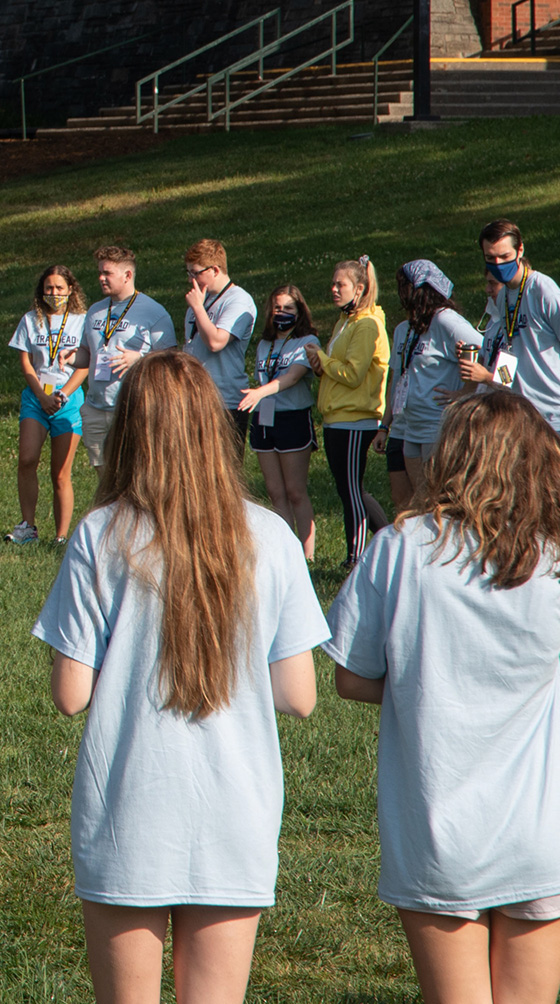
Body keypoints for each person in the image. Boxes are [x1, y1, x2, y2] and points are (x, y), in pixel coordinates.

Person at [32, 349, 329, 1004]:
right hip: (236, 810)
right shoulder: (273, 536)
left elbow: (69, 694)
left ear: (130, 433)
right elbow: (299, 697)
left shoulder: (101, 534)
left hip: (129, 806)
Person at [325, 392, 560, 1004]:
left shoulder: (404, 548)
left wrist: (421, 683)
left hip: (439, 826)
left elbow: (350, 675)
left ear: (451, 456)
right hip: (544, 829)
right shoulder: (554, 559)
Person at [74, 245, 179, 480]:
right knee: (105, 480)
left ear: (127, 275)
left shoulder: (153, 312)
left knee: (135, 477)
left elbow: (171, 361)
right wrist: (69, 357)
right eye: (100, 272)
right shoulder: (95, 311)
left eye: (107, 273)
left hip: (132, 408)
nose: (101, 278)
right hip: (95, 408)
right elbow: (86, 353)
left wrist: (139, 359)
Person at [315, 257, 390, 569]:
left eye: (340, 285)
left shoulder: (367, 325)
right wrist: (322, 366)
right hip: (337, 418)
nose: (334, 289)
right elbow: (337, 370)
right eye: (333, 284)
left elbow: (354, 374)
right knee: (351, 489)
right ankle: (388, 541)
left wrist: (322, 359)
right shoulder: (345, 322)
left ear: (359, 289)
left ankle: (356, 558)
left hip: (355, 420)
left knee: (351, 491)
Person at [384, 260, 476, 514]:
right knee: (421, 504)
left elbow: (485, 349)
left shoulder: (447, 322)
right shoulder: (409, 327)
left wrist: (467, 390)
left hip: (437, 426)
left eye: (403, 287)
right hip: (411, 428)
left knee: (442, 504)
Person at [237, 286, 322, 558]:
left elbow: (295, 376)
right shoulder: (265, 344)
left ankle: (307, 555)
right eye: (277, 308)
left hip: (293, 418)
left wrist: (260, 392)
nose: (282, 313)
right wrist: (259, 395)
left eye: (288, 308)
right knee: (275, 492)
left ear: (299, 312)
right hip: (264, 418)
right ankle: (288, 551)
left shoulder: (307, 341)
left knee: (295, 491)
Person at [9, 265, 88, 545]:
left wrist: (63, 395)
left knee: (60, 472)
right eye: (48, 288)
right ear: (41, 291)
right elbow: (26, 361)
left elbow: (85, 365)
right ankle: (27, 526)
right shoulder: (31, 320)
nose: (53, 293)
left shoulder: (83, 321)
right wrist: (42, 397)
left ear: (71, 290)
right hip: (36, 397)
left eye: (59, 288)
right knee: (27, 459)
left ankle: (61, 536)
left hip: (68, 400)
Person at [462, 219, 560, 430]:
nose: (498, 264)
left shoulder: (542, 289)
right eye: (490, 258)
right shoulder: (504, 295)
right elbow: (510, 356)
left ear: (520, 250)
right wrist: (491, 378)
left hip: (553, 416)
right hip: (521, 417)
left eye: (504, 256)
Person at [181, 239, 258, 444]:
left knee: (224, 473)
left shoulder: (238, 300)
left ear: (215, 269)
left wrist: (198, 308)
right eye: (188, 273)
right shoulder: (199, 301)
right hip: (195, 400)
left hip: (224, 403)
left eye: (196, 273)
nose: (191, 280)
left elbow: (216, 342)